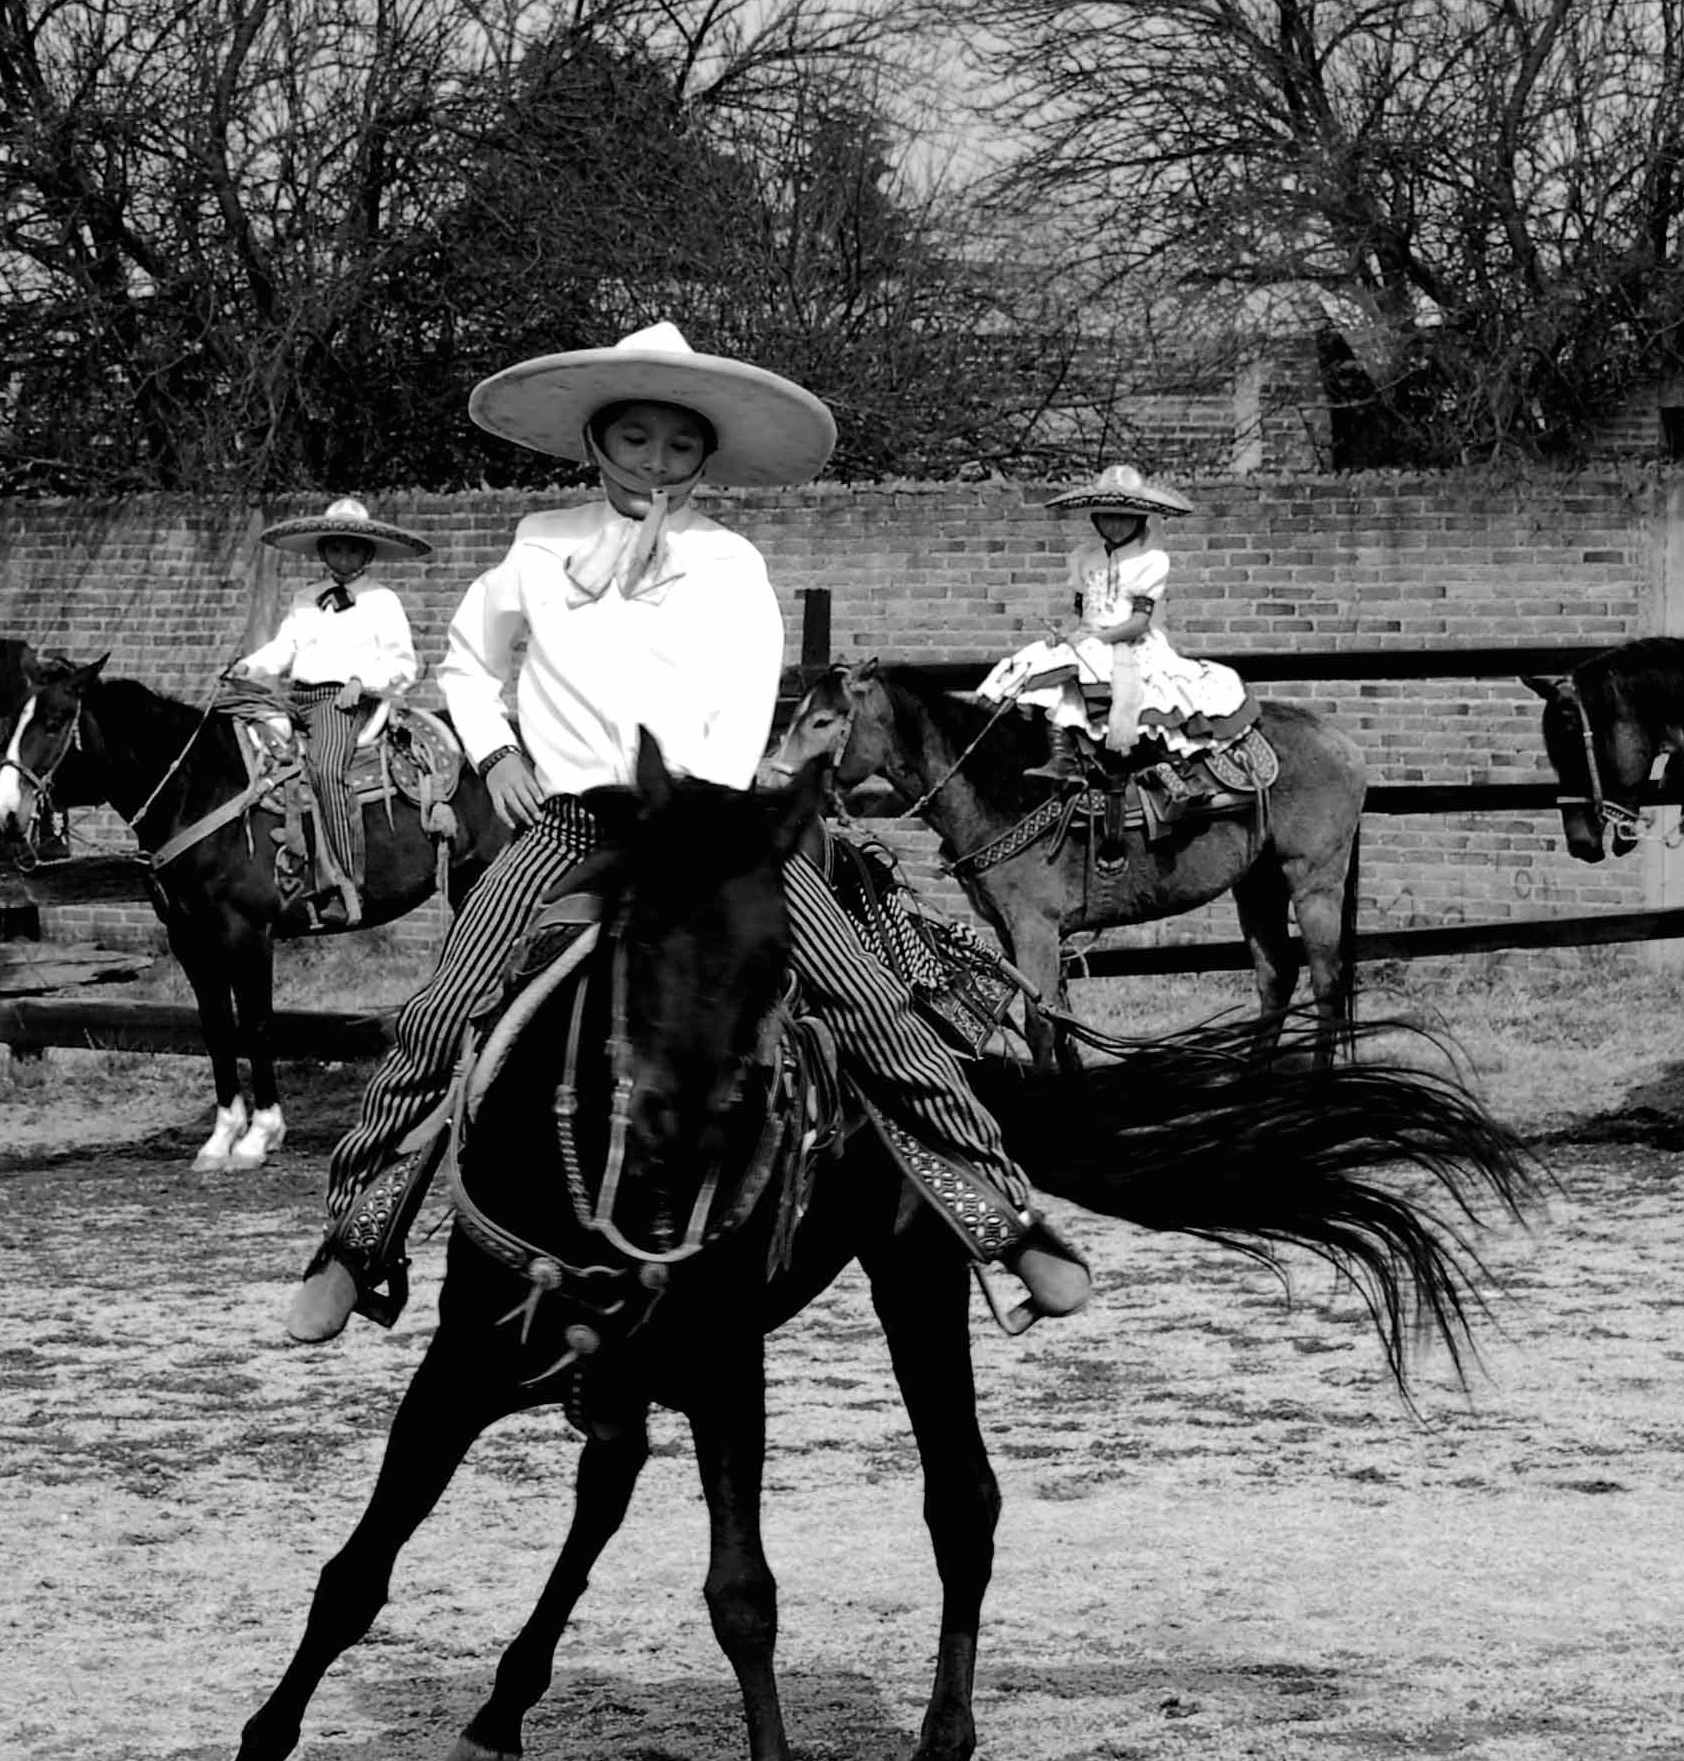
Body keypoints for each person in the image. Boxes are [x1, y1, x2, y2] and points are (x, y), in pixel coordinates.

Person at [283, 322, 1092, 1345]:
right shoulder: (538, 542)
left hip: (709, 830)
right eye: (634, 437)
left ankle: (1001, 1215)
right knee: (441, 1011)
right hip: (572, 824)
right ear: (594, 440)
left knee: (870, 1001)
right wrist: (494, 754)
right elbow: (468, 663)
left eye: (678, 444)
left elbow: (744, 697)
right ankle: (357, 1242)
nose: (655, 461)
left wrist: (716, 815)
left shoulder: (729, 562)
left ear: (703, 455)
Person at [975, 465, 1249, 782]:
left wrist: (1100, 638)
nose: (1114, 525)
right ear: (1095, 518)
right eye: (1107, 516)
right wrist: (1063, 634)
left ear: (1140, 519)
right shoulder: (1084, 557)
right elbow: (1078, 615)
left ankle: (1143, 765)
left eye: (1124, 517)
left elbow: (1139, 623)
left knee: (1096, 674)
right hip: (1086, 639)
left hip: (1130, 643)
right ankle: (1056, 754)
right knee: (1034, 664)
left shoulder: (1151, 560)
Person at [230, 496, 425, 927]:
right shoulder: (306, 598)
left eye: (353, 548)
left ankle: (345, 883)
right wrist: (252, 666)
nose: (344, 556)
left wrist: (362, 682)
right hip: (297, 697)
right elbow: (285, 648)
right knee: (237, 730)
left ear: (367, 553)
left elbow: (402, 664)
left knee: (324, 770)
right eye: (335, 548)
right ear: (322, 551)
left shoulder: (382, 601)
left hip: (345, 702)